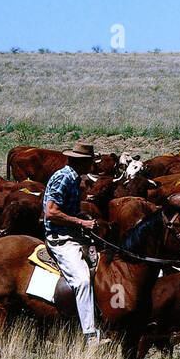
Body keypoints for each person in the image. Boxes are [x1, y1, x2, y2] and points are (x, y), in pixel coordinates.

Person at [42, 140, 105, 344]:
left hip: (72, 232)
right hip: (60, 238)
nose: (92, 165)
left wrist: (80, 216)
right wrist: (80, 222)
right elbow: (51, 212)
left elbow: (64, 211)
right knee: (83, 280)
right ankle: (90, 334)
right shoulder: (64, 178)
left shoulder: (74, 177)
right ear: (84, 162)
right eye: (90, 162)